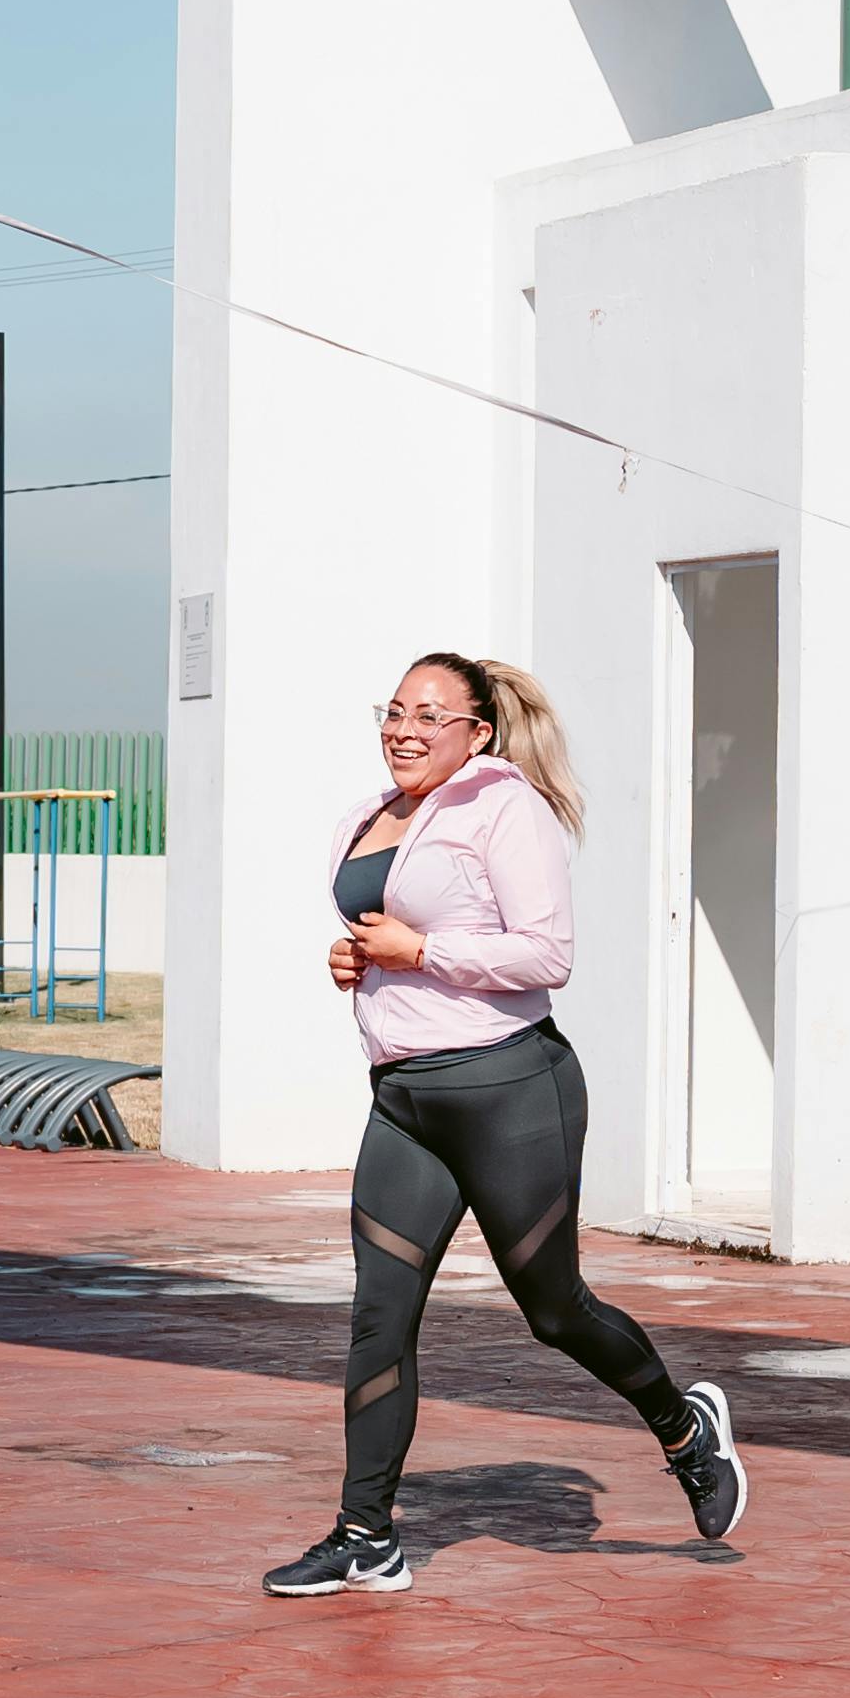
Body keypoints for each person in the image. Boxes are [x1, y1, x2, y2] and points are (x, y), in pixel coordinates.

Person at [266, 649, 746, 1601]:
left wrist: (422, 949)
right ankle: (365, 1534)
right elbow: (392, 933)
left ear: (476, 730)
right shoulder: (370, 816)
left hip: (508, 1089)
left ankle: (684, 1428)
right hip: (404, 1100)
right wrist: (360, 960)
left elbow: (545, 955)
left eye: (427, 714)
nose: (403, 728)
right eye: (393, 710)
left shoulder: (504, 806)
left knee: (552, 1309)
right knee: (377, 1319)